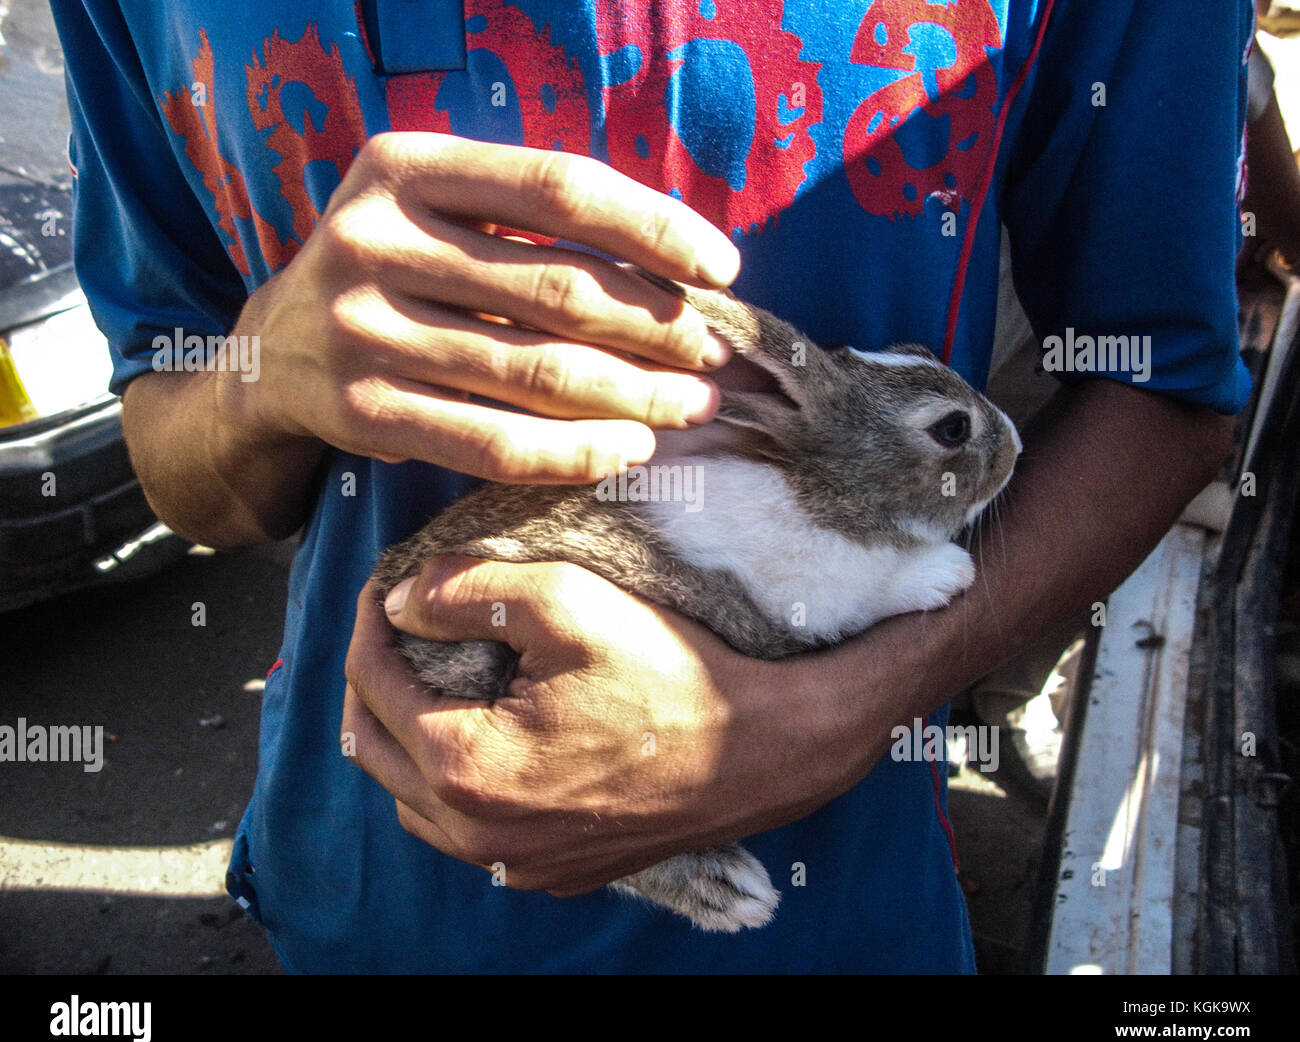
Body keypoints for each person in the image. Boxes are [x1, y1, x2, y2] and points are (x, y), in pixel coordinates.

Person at [51, 0, 1252, 973]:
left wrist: (837, 710)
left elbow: (1170, 386)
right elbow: (180, 461)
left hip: (822, 921)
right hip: (360, 891)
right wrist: (257, 376)